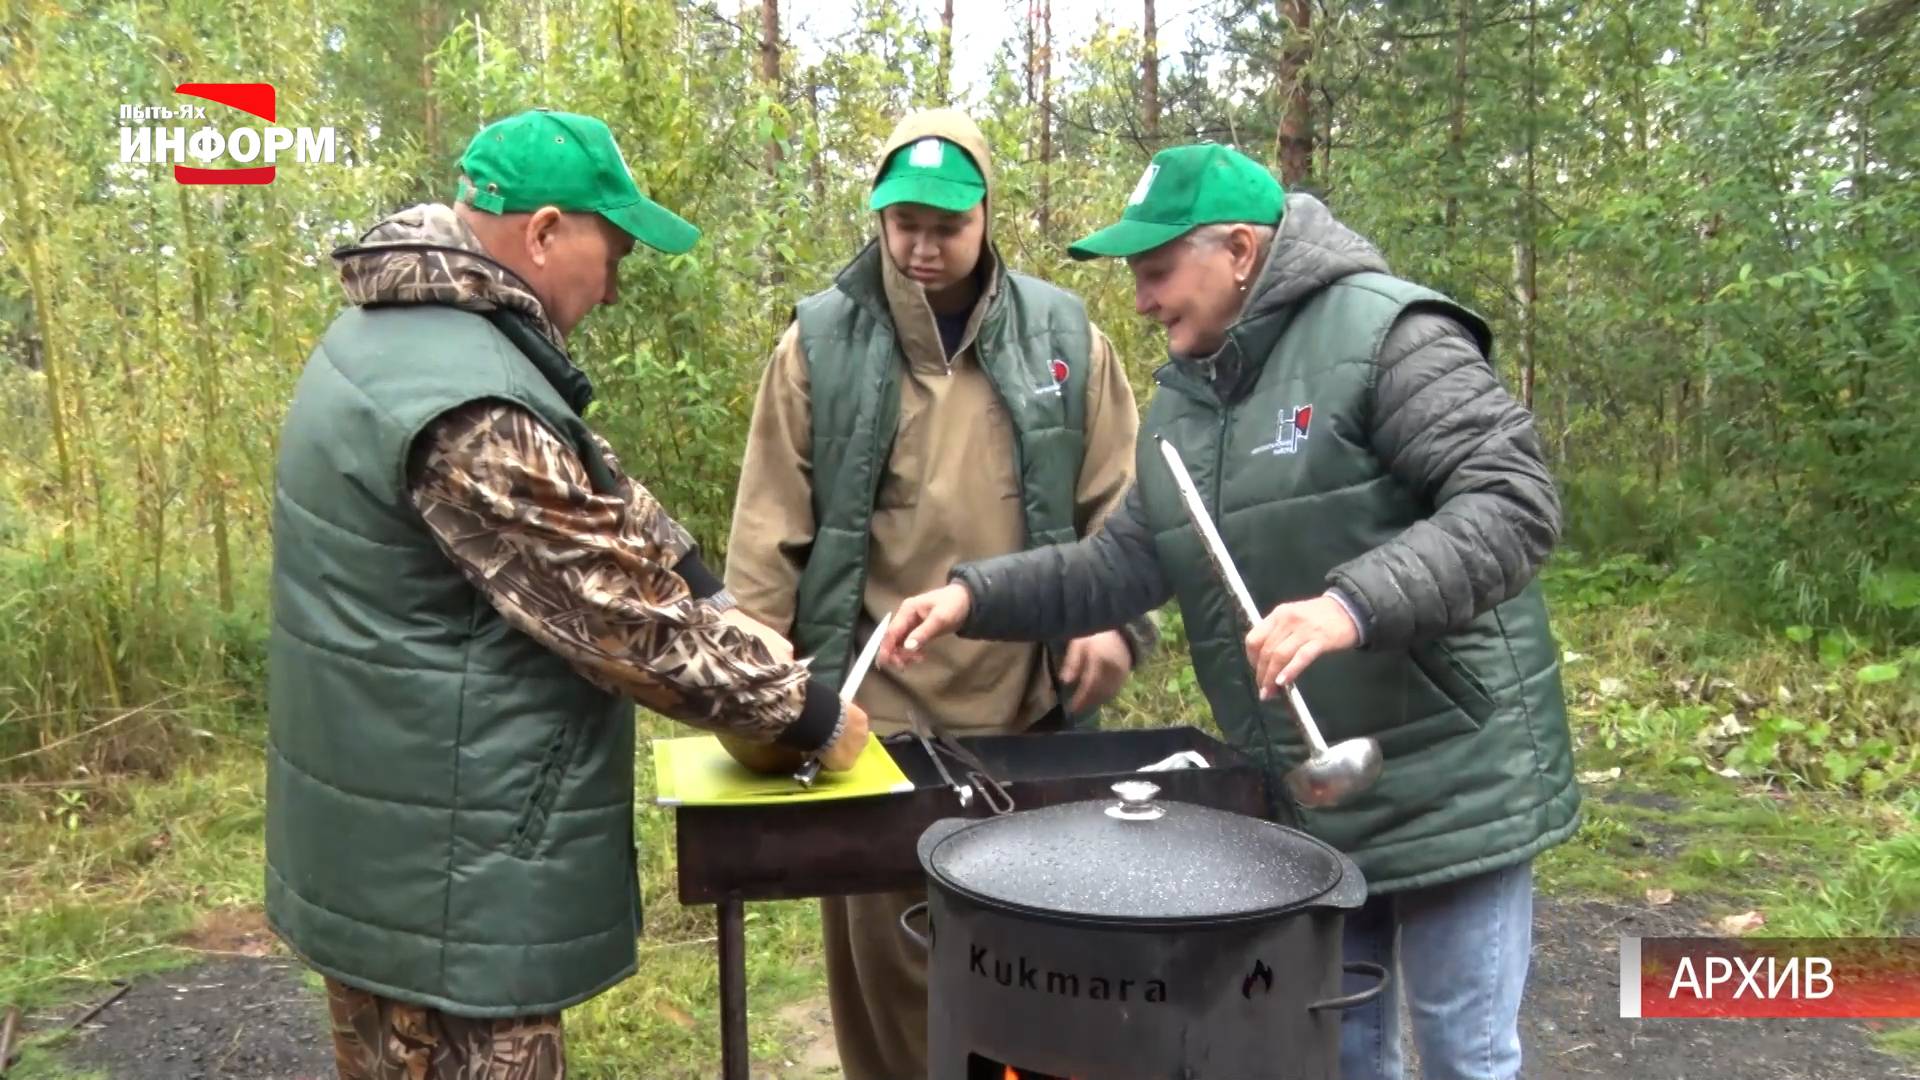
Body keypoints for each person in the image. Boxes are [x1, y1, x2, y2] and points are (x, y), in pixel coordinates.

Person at [880, 143, 1577, 1080]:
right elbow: (1126, 563)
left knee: (1465, 1055)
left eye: (1159, 271)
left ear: (1241, 250)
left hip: (1455, 775)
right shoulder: (1187, 404)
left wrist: (1349, 606)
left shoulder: (1387, 332)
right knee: (1338, 1048)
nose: (1140, 299)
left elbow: (1511, 500)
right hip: (1318, 791)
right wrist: (973, 593)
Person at [264, 108, 868, 1080]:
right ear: (545, 232)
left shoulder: (407, 336)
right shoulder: (469, 406)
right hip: (447, 894)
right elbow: (620, 626)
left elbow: (588, 485)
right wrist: (810, 714)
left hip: (398, 854)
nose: (619, 284)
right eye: (613, 251)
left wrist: (708, 591)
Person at [721, 108, 1155, 1080]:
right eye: (902, 221)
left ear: (986, 217)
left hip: (1032, 714)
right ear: (878, 218)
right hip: (876, 724)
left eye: (946, 224)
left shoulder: (1063, 337)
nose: (922, 244)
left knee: (1036, 972)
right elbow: (766, 536)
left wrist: (1116, 626)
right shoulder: (818, 346)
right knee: (896, 986)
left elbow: (1126, 504)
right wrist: (759, 675)